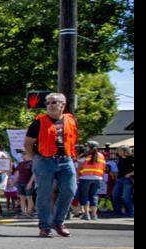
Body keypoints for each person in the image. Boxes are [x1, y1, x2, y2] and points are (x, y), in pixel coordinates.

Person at [25, 91, 77, 238]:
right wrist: (33, 158)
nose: (50, 105)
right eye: (48, 103)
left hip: (66, 159)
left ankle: (58, 222)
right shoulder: (38, 122)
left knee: (69, 190)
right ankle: (45, 226)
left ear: (63, 105)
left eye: (54, 102)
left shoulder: (71, 120)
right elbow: (28, 143)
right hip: (44, 160)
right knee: (44, 193)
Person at [76, 144, 105, 222]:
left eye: (87, 146)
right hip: (97, 178)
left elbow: (79, 167)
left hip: (85, 178)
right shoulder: (101, 156)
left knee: (84, 196)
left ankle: (86, 214)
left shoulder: (84, 156)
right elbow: (103, 166)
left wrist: (77, 176)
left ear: (89, 147)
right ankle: (94, 215)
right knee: (94, 195)